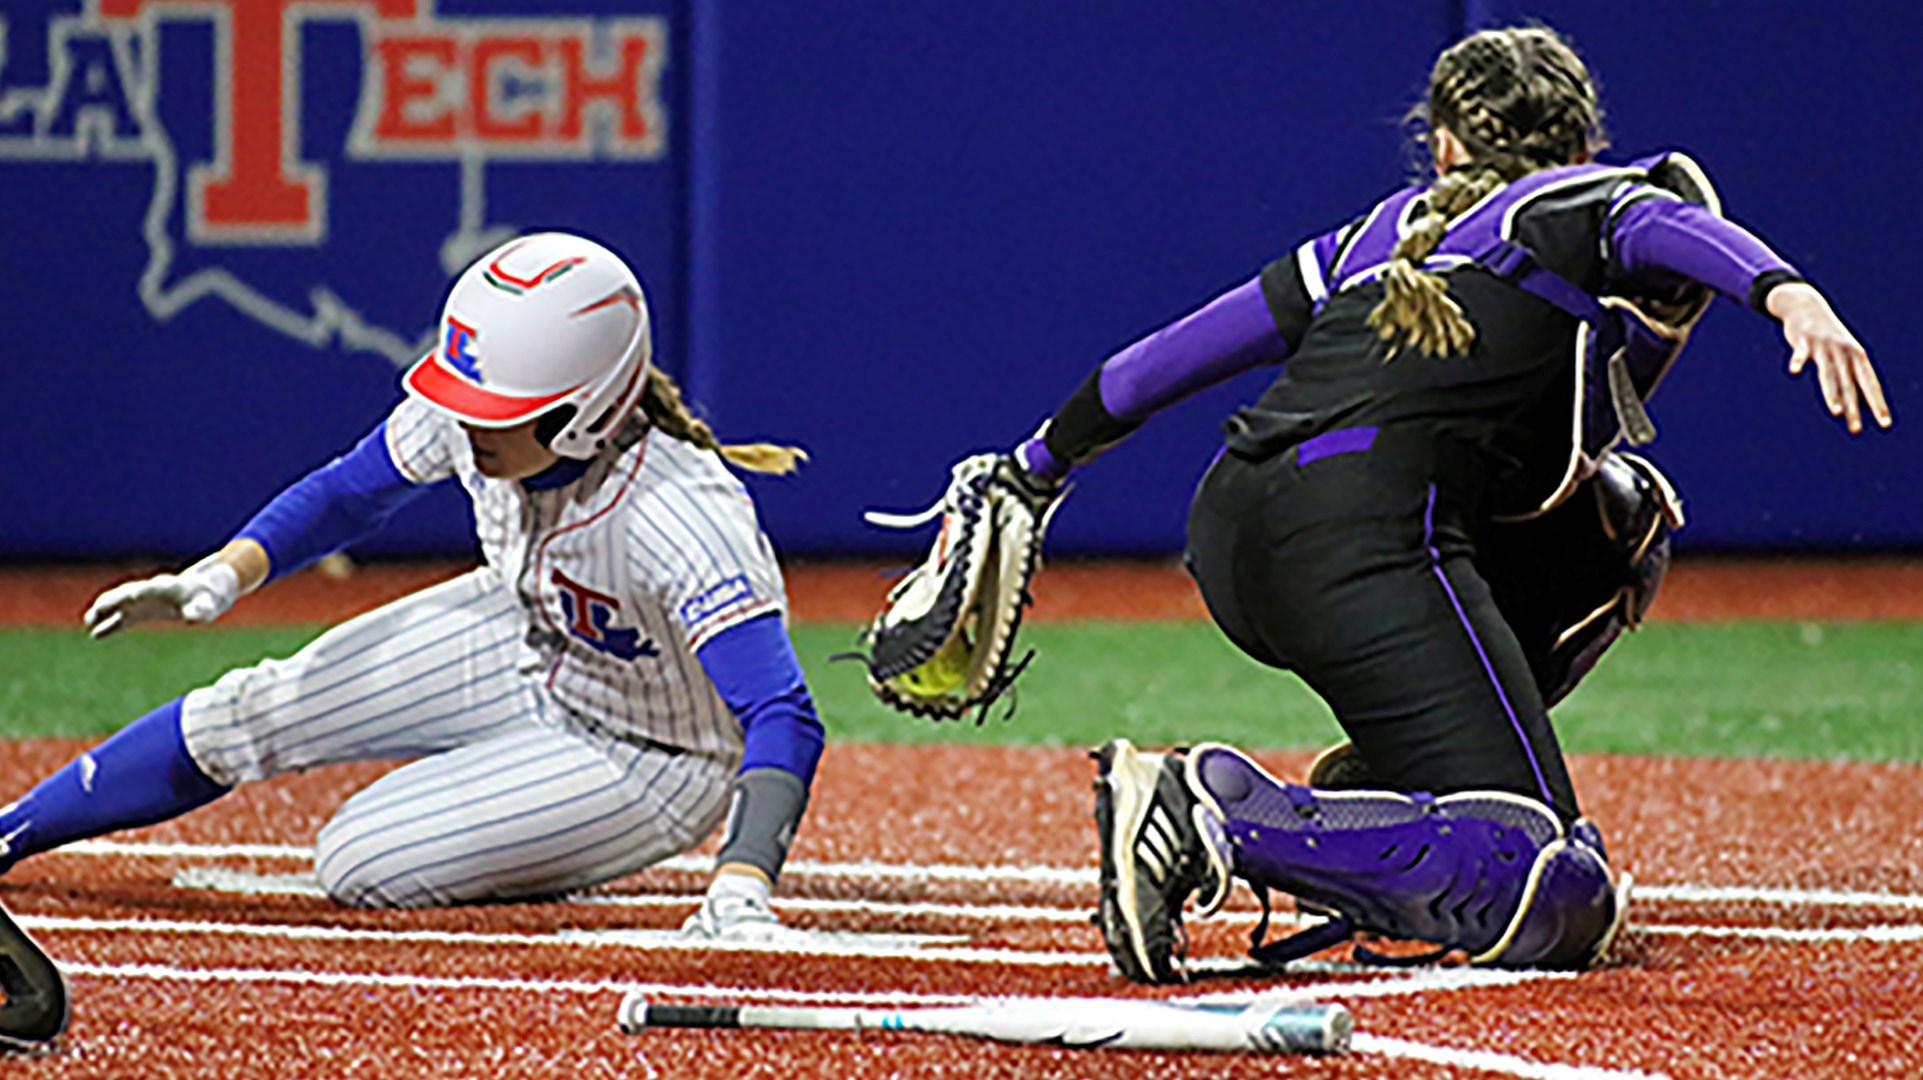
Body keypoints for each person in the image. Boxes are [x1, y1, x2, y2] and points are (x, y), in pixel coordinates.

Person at [1000, 27, 1890, 981]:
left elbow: (1151, 367)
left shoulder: (1368, 237)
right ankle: (1207, 811)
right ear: (1583, 141)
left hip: (1233, 535)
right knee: (1549, 885)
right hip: (1361, 538)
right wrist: (1787, 293)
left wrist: (1029, 470)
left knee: (1594, 538)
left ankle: (1392, 779)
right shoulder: (1568, 199)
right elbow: (1660, 224)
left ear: (1441, 147)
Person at [0, 232, 824, 938]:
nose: (468, 421)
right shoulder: (490, 415)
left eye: (493, 407)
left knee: (361, 860)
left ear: (588, 409)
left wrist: (743, 878)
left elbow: (780, 711)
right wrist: (222, 572)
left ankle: (547, 822)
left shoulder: (680, 512)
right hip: (527, 633)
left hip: (653, 753)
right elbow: (349, 492)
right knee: (248, 709)